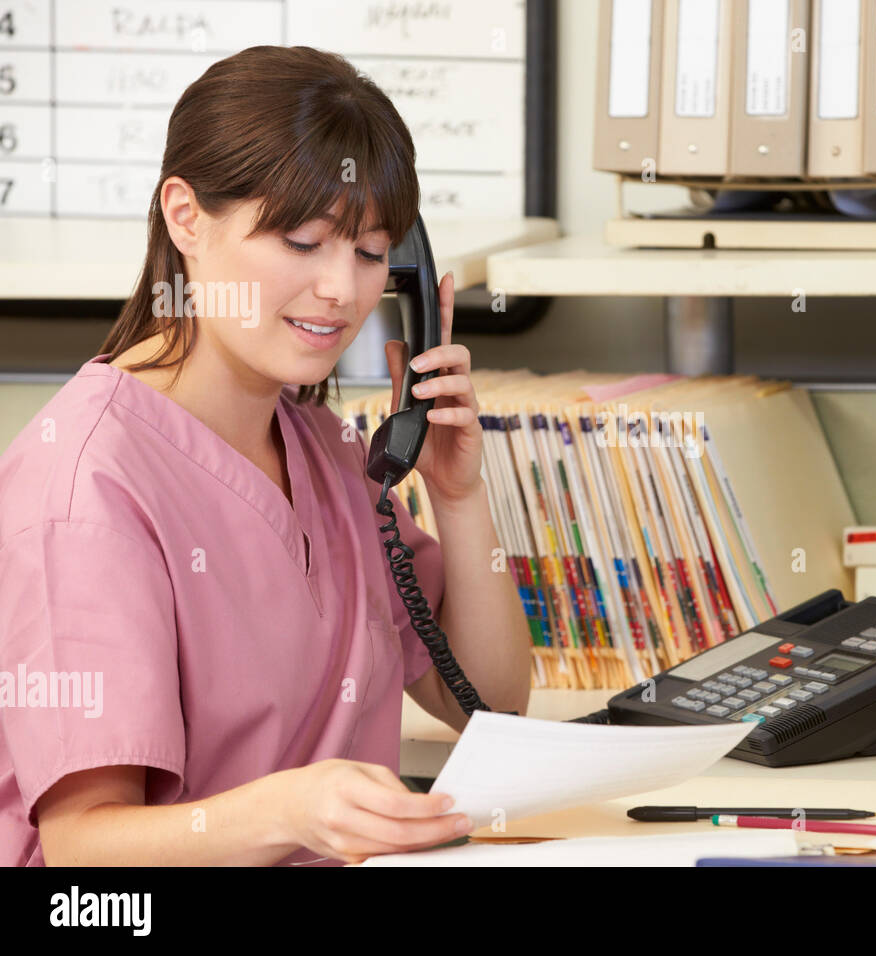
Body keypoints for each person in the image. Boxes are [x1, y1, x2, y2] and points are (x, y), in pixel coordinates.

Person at [0, 45, 531, 866]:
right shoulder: (87, 485)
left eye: (367, 252)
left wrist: (460, 496)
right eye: (301, 242)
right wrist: (292, 810)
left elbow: (492, 708)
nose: (341, 291)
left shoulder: (329, 450)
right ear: (186, 218)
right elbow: (83, 849)